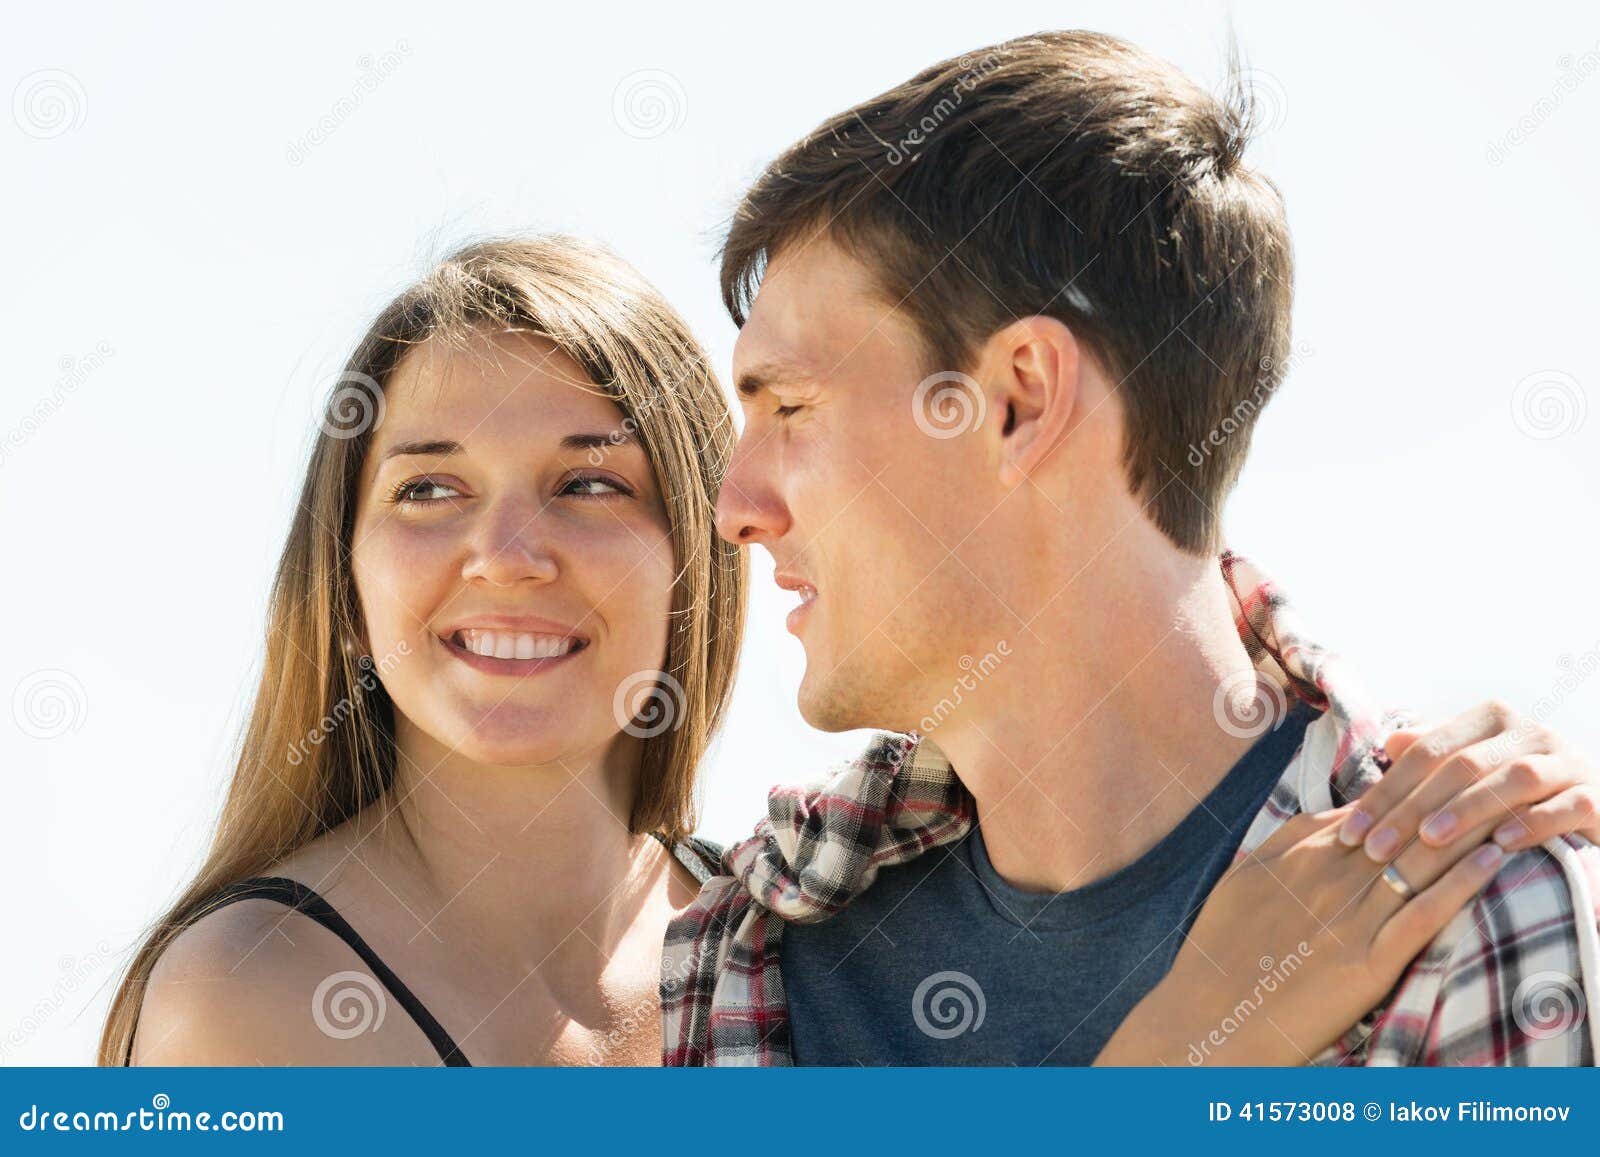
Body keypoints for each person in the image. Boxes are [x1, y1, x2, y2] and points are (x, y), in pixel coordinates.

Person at [663, 30, 1600, 1066]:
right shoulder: (744, 945)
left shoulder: (1471, 911)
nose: (733, 509)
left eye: (791, 407)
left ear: (1020, 400)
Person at [101, 236, 745, 1065]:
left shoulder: (793, 941)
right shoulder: (246, 993)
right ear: (345, 587)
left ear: (697, 558)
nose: (505, 556)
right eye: (429, 489)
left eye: (589, 484)